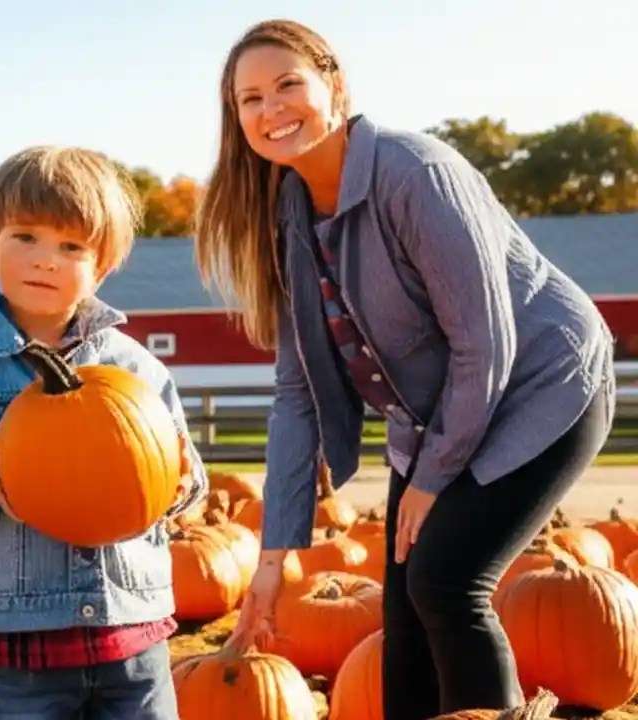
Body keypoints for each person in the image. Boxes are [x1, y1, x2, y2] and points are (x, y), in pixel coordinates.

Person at [197, 19, 616, 720]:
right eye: (251, 99)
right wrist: (270, 563)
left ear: (332, 84)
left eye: (288, 85)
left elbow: (485, 343)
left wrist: (429, 478)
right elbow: (297, 395)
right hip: (440, 419)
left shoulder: (416, 173)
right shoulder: (288, 217)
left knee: (446, 583)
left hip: (543, 388)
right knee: (407, 610)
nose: (272, 110)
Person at [0, 145, 209, 719]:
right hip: (18, 643)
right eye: (25, 237)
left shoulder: (136, 369)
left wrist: (177, 481)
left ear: (101, 266)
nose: (46, 260)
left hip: (130, 629)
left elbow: (185, 476)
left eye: (71, 246)